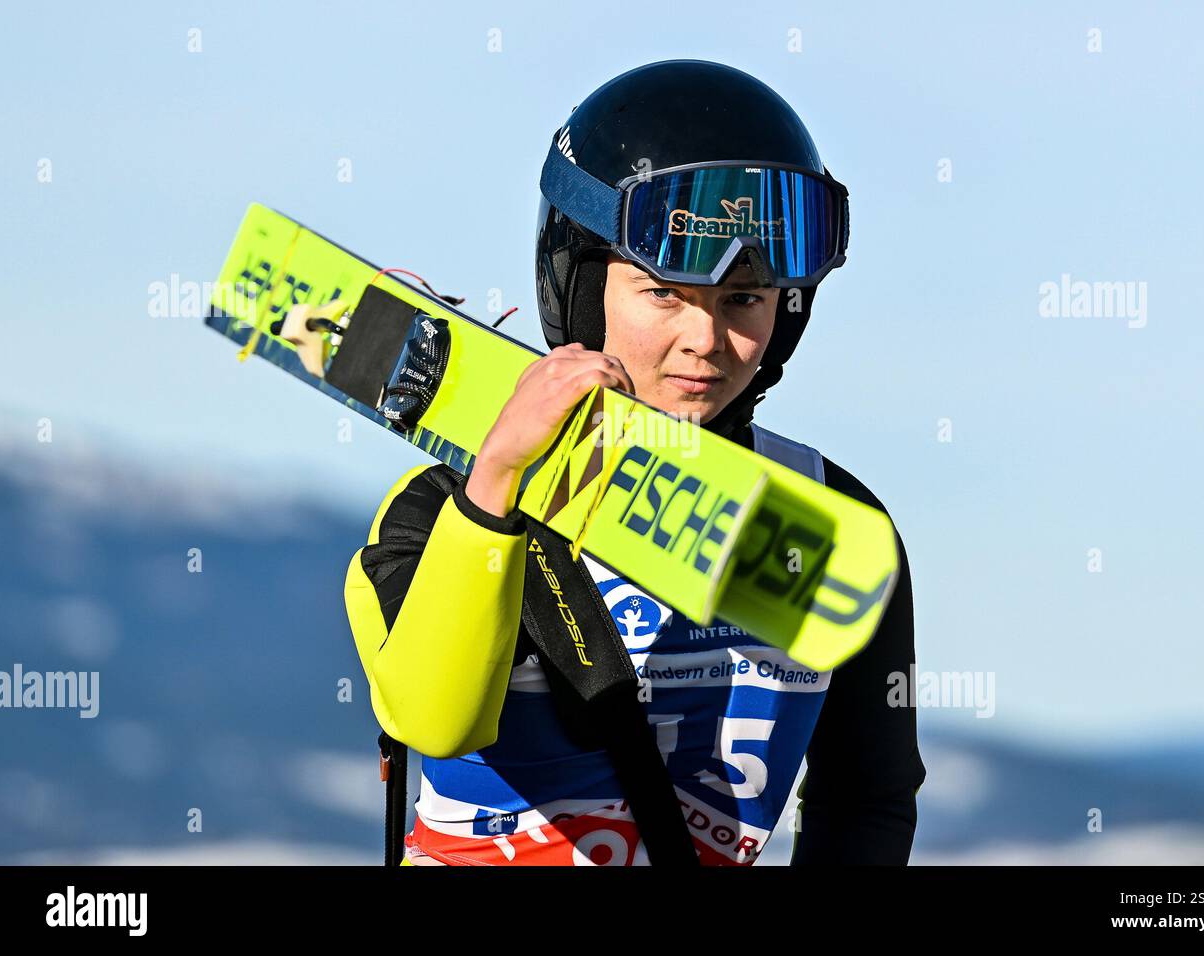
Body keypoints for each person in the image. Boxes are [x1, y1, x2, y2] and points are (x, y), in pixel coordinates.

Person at [345, 59, 926, 866]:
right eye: (662, 294)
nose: (706, 341)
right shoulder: (436, 506)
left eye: (744, 302)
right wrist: (497, 492)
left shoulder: (830, 526)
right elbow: (433, 716)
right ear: (582, 289)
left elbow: (867, 798)